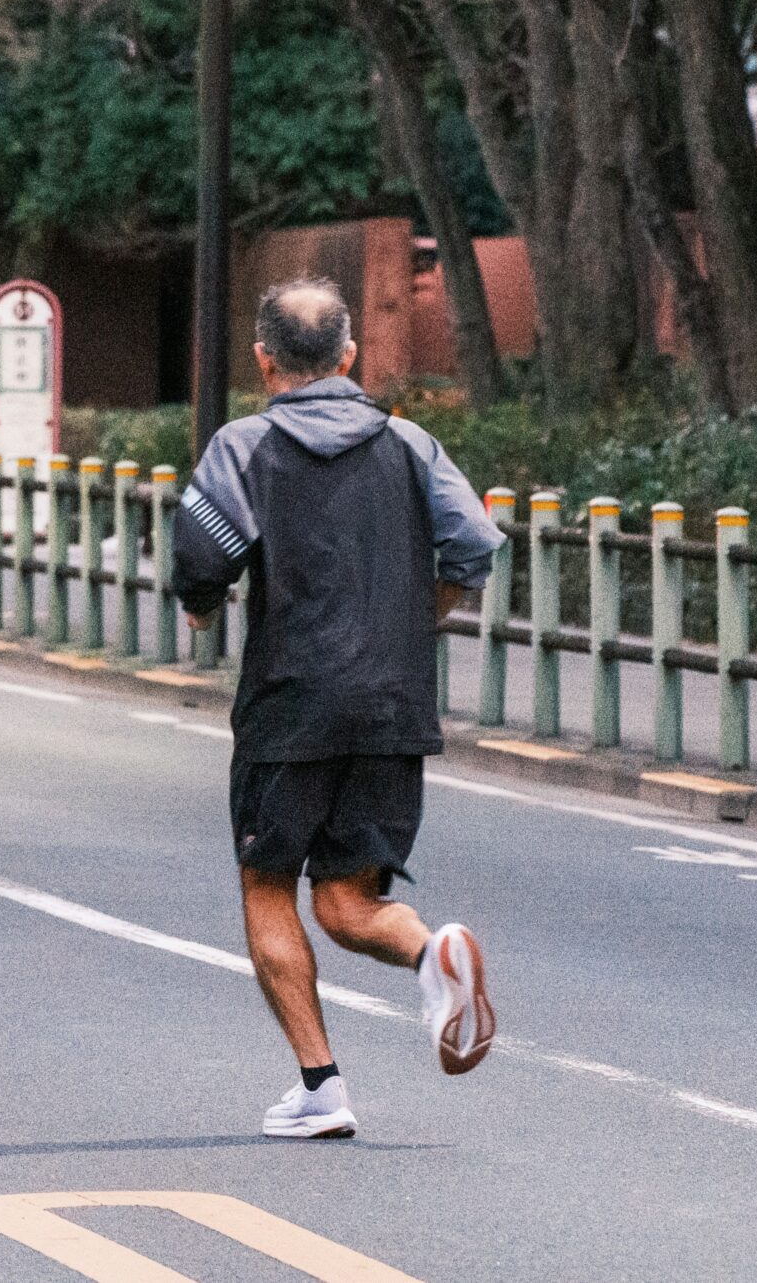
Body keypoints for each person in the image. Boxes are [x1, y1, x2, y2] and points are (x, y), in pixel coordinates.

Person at [173, 277, 504, 1140]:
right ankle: (434, 952)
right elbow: (473, 544)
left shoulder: (245, 447)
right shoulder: (409, 443)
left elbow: (200, 562)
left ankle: (321, 1085)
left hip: (290, 703)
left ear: (262, 359)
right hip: (394, 702)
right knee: (347, 902)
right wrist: (418, 615)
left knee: (269, 883)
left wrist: (203, 605)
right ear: (351, 355)